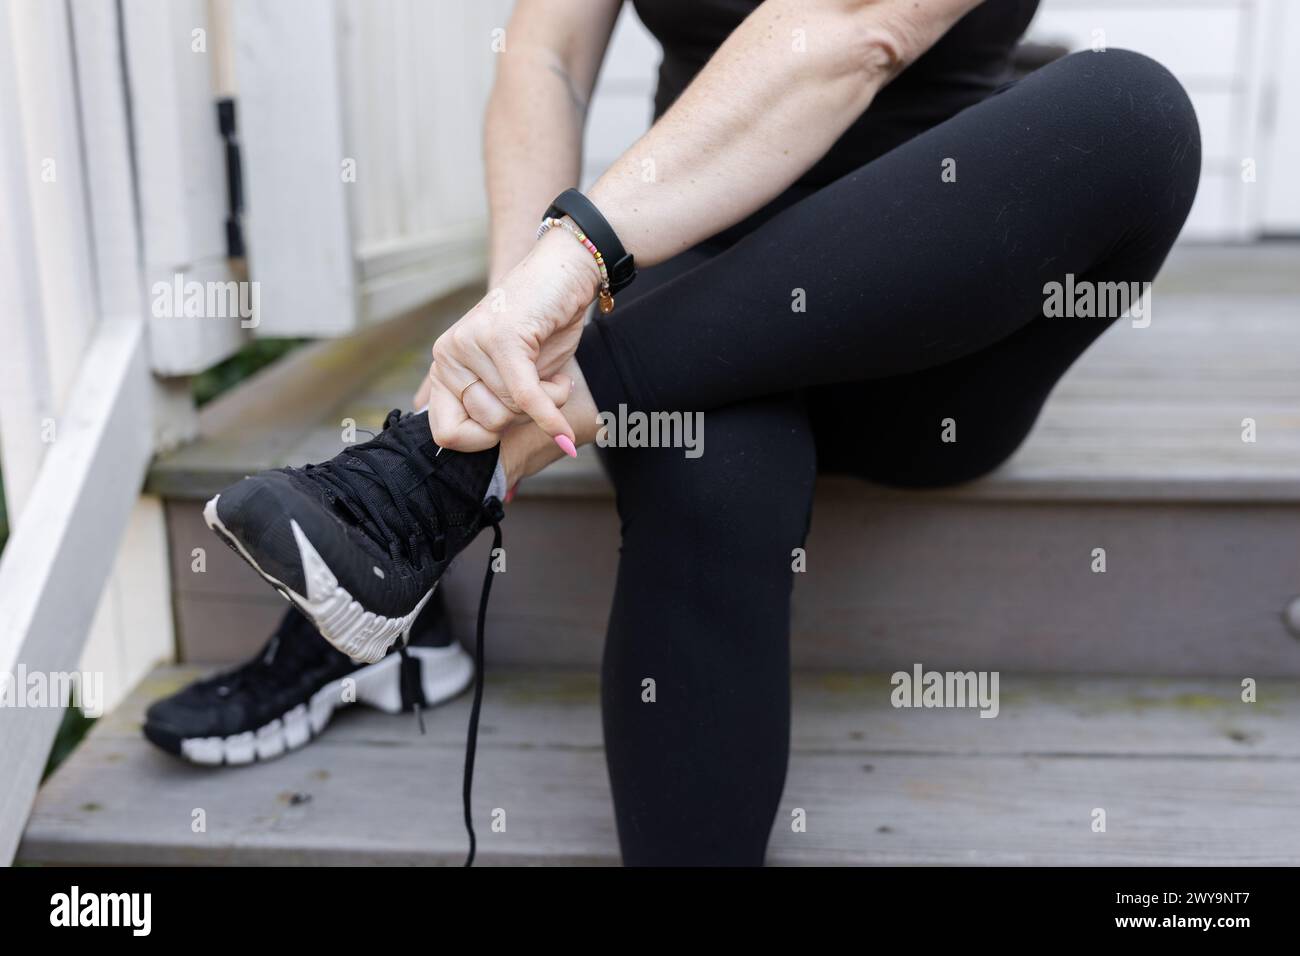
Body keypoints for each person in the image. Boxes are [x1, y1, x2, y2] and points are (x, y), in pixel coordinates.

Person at [197, 0, 1201, 864]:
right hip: (699, 276)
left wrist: (565, 281)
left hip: (930, 319)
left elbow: (859, 27)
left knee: (1132, 113)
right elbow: (543, 56)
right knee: (709, 473)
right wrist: (515, 325)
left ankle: (452, 474)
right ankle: (470, 457)